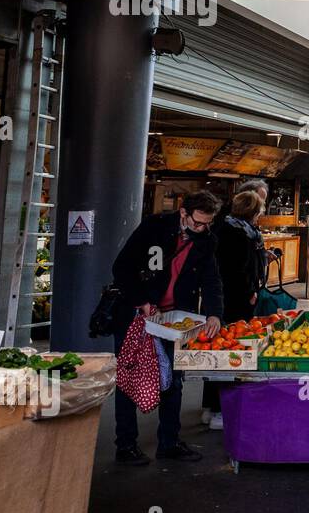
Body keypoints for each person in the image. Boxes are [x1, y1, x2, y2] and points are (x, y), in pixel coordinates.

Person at [111, 191, 225, 466]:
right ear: (183, 213)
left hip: (175, 319)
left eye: (207, 224)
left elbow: (212, 279)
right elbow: (122, 267)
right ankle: (125, 445)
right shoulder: (155, 227)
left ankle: (169, 442)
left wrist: (213, 314)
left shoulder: (206, 239)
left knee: (174, 379)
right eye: (198, 223)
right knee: (129, 378)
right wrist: (143, 302)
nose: (202, 229)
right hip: (136, 315)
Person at [205, 190, 267, 429]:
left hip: (220, 299)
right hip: (234, 300)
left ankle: (210, 406)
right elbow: (237, 270)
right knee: (231, 350)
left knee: (214, 350)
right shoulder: (239, 234)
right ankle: (222, 409)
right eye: (259, 210)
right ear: (253, 212)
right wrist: (250, 292)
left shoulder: (226, 229)